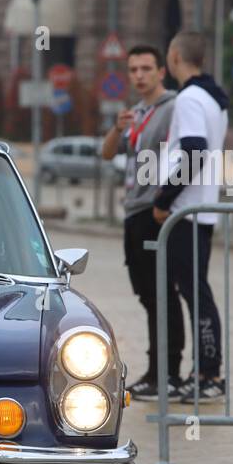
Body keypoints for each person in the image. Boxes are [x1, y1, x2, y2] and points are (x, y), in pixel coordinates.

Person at [100, 45, 184, 401]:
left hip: (155, 211)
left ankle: (168, 372)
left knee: (163, 294)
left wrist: (165, 199)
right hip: (133, 210)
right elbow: (106, 154)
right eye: (133, 69)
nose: (139, 75)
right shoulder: (135, 112)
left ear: (161, 72)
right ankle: (155, 372)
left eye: (146, 68)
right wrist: (116, 130)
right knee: (148, 295)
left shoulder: (173, 108)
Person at [154, 31, 228, 403]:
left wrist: (166, 197)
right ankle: (205, 371)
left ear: (175, 55)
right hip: (201, 209)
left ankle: (208, 373)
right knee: (197, 292)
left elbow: (195, 151)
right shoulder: (213, 99)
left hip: (186, 211)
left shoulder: (189, 98)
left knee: (195, 293)